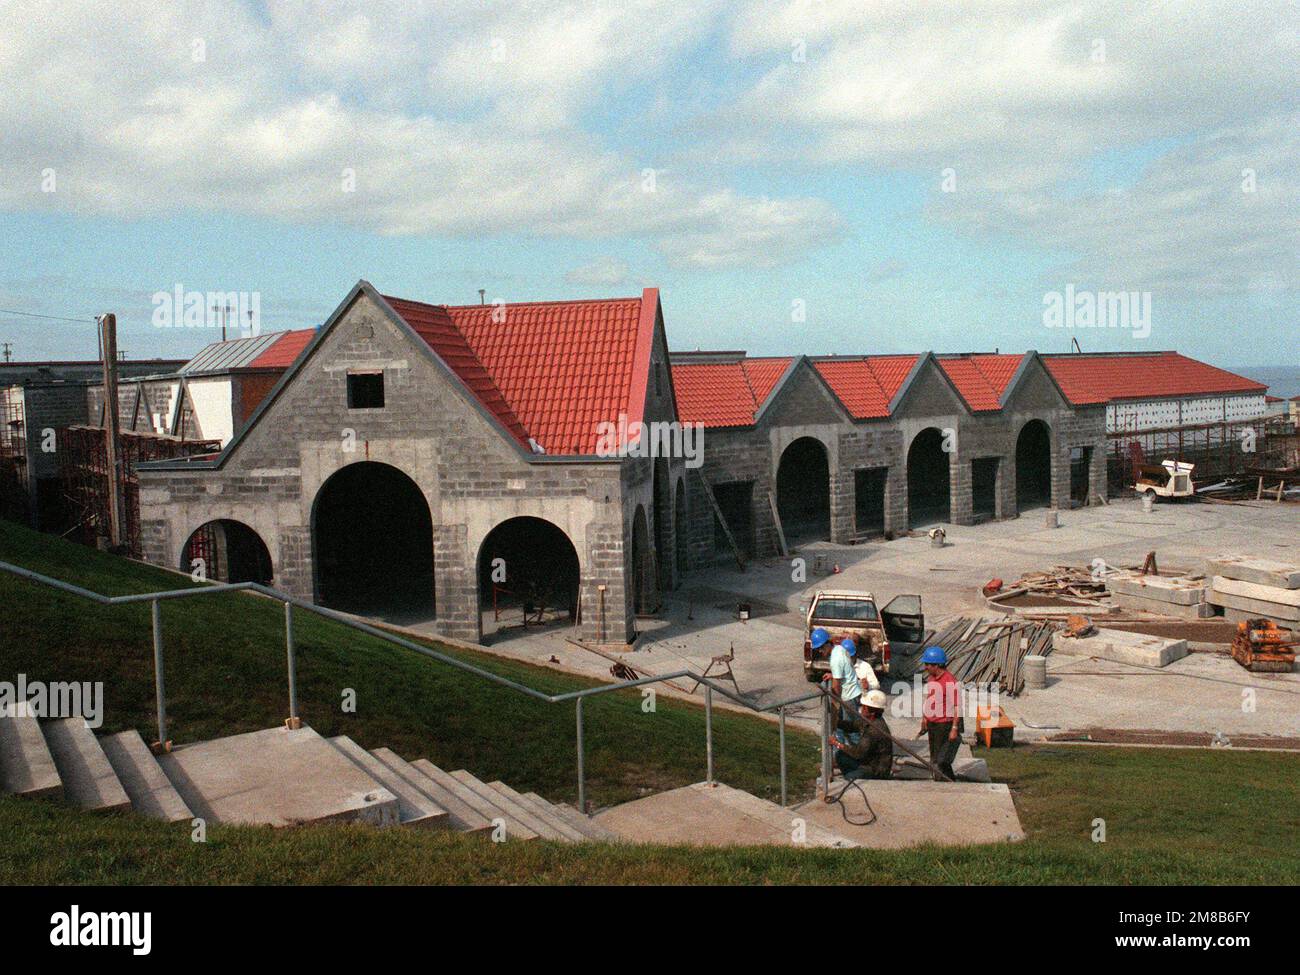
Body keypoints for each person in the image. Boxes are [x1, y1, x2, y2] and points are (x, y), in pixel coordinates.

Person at [917, 645, 962, 781]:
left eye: (928, 665)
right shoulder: (932, 678)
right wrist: (925, 718)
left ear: (936, 665)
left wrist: (954, 728)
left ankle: (947, 781)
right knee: (934, 756)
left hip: (944, 725)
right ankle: (940, 779)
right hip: (932, 723)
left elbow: (957, 707)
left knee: (941, 759)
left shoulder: (950, 681)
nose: (926, 667)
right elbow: (929, 698)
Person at [829, 688, 893, 780]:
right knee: (840, 755)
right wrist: (837, 722)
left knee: (850, 778)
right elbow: (853, 726)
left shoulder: (874, 730)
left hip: (876, 770)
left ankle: (853, 778)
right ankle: (853, 775)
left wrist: (837, 743)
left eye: (864, 707)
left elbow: (858, 753)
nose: (861, 709)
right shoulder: (870, 720)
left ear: (872, 712)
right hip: (867, 761)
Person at [827, 636, 862, 724]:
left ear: (827, 644)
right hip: (854, 692)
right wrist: (833, 675)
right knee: (849, 725)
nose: (819, 651)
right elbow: (844, 670)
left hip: (849, 696)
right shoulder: (839, 648)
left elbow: (836, 685)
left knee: (851, 728)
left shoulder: (835, 659)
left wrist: (836, 703)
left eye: (820, 648)